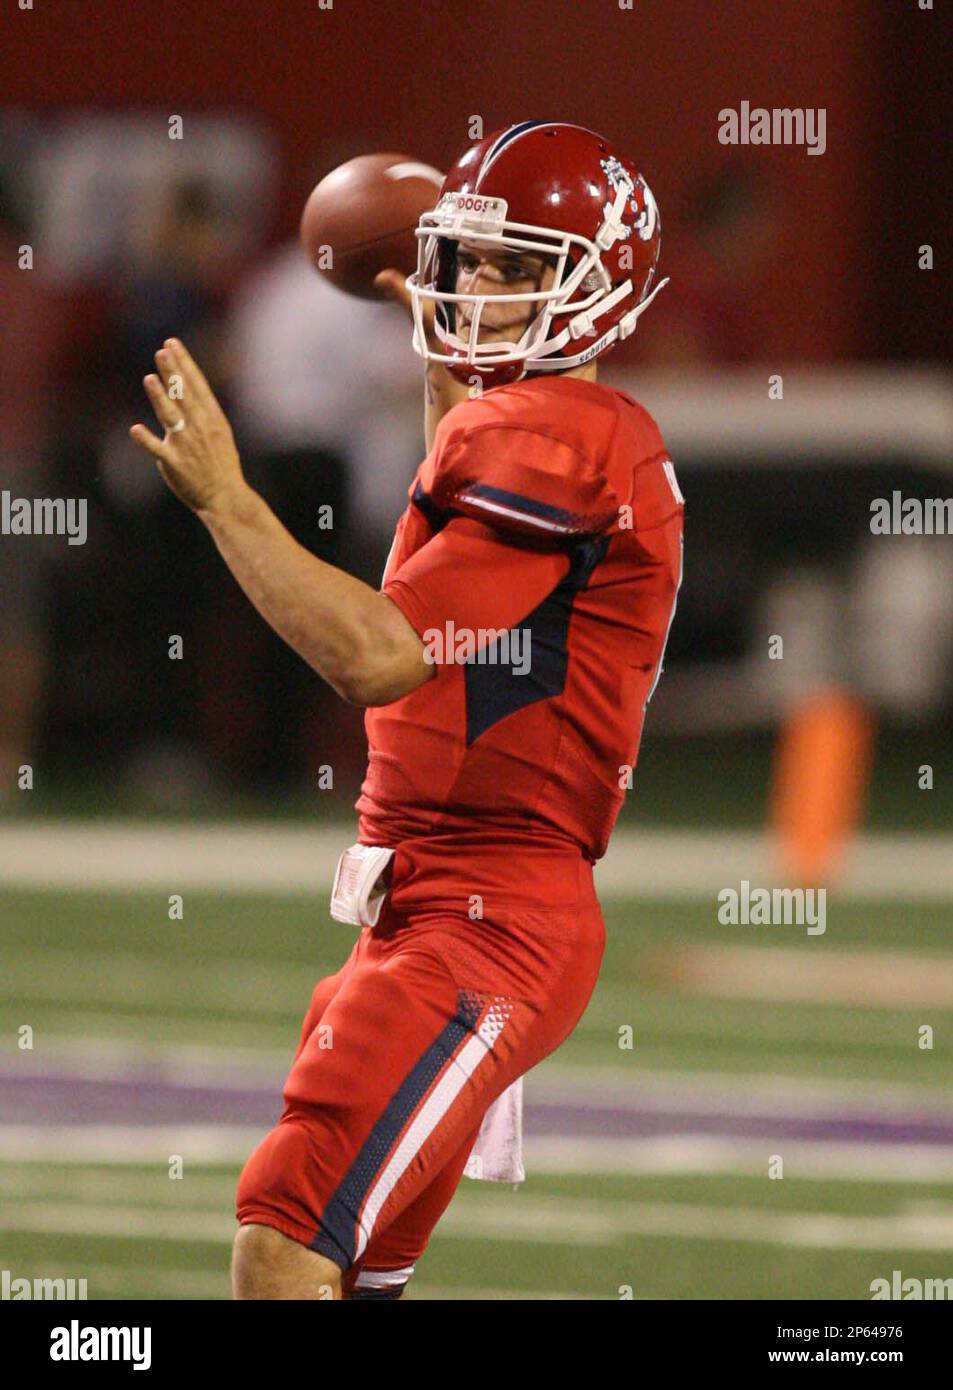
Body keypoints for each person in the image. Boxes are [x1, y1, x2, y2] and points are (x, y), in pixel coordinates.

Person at [129, 121, 684, 1300]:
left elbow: (380, 654)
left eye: (516, 269)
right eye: (466, 263)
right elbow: (468, 579)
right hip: (444, 899)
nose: (477, 292)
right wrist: (445, 365)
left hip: (481, 918)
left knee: (281, 1251)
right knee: (356, 1277)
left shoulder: (558, 433)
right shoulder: (539, 429)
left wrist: (229, 502)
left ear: (596, 286)